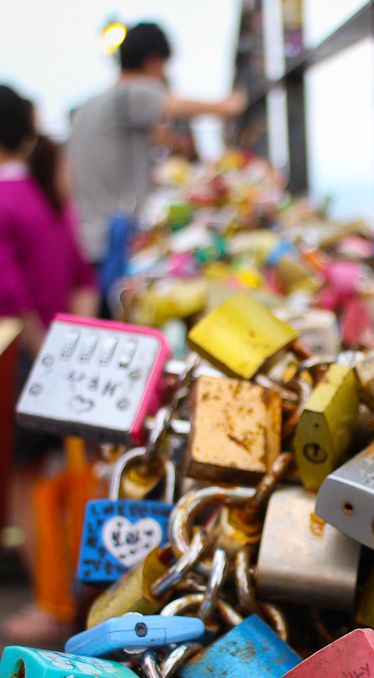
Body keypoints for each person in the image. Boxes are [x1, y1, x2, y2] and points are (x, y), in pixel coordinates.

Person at [0, 84, 98, 644]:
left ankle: (51, 603)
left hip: (29, 360)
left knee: (28, 487)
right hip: (70, 356)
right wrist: (72, 343)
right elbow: (81, 274)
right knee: (69, 478)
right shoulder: (45, 193)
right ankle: (74, 597)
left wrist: (44, 351)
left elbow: (9, 291)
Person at [69, 22, 247, 268]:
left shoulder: (90, 106)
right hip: (114, 240)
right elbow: (179, 106)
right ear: (154, 62)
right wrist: (230, 105)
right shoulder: (132, 92)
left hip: (86, 235)